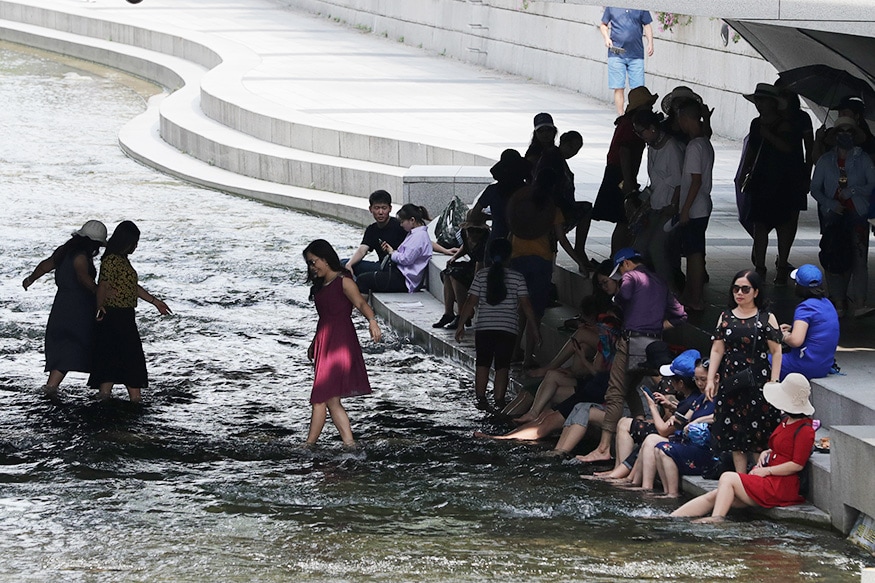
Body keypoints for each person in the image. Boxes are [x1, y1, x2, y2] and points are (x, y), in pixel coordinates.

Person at [577, 248, 687, 463]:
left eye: (619, 271)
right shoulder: (660, 282)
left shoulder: (631, 276)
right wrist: (655, 327)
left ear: (626, 263)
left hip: (631, 342)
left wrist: (618, 298)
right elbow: (680, 315)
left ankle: (603, 448)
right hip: (653, 344)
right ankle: (640, 425)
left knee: (615, 392)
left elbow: (624, 296)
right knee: (630, 388)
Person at [671, 373, 816, 523]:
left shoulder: (805, 430)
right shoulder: (786, 421)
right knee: (717, 494)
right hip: (770, 478)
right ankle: (672, 517)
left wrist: (767, 470)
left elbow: (797, 464)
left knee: (728, 477)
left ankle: (717, 519)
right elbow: (782, 447)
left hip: (781, 485)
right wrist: (768, 452)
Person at [303, 239, 381, 446]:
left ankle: (309, 445)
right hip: (325, 341)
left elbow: (360, 303)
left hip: (340, 342)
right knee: (330, 399)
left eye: (313, 262)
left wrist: (372, 321)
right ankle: (349, 443)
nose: (312, 267)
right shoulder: (321, 286)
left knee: (321, 396)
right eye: (309, 263)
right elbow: (325, 318)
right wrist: (314, 342)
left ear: (325, 258)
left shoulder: (344, 282)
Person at [705, 270, 782, 474]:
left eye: (745, 289)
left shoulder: (766, 318)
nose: (739, 293)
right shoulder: (725, 316)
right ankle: (740, 478)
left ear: (756, 292)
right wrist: (711, 378)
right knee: (734, 433)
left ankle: (759, 477)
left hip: (758, 380)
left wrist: (774, 381)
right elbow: (717, 349)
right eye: (736, 289)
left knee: (759, 433)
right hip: (732, 380)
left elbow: (776, 351)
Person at [22, 220, 108, 395]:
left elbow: (44, 266)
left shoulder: (63, 251)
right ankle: (104, 389)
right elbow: (83, 277)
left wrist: (30, 279)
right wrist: (98, 291)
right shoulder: (81, 257)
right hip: (79, 308)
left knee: (63, 347)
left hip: (61, 305)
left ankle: (51, 387)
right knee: (86, 345)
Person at [89, 221, 171, 402]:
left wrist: (155, 302)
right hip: (114, 315)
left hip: (124, 314)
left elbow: (132, 287)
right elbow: (103, 285)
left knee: (113, 358)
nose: (136, 246)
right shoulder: (111, 260)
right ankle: (132, 398)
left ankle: (108, 398)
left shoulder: (122, 259)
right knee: (127, 358)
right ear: (126, 241)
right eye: (134, 242)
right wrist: (99, 307)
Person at [456, 238, 538, 410]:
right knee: (502, 366)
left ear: (490, 255)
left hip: (484, 328)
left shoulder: (481, 275)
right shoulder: (517, 278)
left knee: (482, 363)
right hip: (508, 329)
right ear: (510, 256)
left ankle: (481, 400)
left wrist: (460, 325)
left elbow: (470, 302)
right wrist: (534, 329)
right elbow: (527, 306)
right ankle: (499, 401)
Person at [810, 116, 875, 318]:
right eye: (841, 132)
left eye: (849, 132)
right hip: (833, 215)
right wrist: (831, 203)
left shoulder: (863, 159)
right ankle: (837, 301)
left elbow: (872, 184)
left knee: (859, 258)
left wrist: (853, 191)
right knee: (833, 256)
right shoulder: (825, 160)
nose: (845, 135)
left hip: (857, 213)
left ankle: (860, 302)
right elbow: (815, 188)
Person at [739, 83, 801, 285]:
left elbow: (789, 148)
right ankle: (760, 265)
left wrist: (770, 136)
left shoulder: (785, 125)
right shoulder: (756, 124)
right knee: (759, 224)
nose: (759, 104)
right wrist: (744, 171)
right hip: (761, 179)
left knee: (783, 224)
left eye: (763, 101)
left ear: (773, 103)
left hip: (782, 180)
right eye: (757, 100)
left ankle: (782, 265)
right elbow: (752, 149)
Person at [591, 86, 656, 254]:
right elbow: (624, 152)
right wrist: (628, 182)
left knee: (626, 218)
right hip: (620, 172)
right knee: (625, 218)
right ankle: (617, 256)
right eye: (648, 105)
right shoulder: (630, 125)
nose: (650, 108)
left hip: (621, 172)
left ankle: (618, 255)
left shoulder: (629, 122)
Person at [631, 108, 684, 288]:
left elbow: (679, 181)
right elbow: (654, 181)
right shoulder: (652, 147)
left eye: (641, 132)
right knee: (640, 246)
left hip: (668, 207)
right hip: (655, 204)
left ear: (652, 128)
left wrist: (674, 205)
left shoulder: (672, 148)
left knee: (656, 247)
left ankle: (668, 290)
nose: (640, 136)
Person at [649, 358, 717, 497]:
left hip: (709, 450)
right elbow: (686, 418)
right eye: (696, 379)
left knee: (665, 450)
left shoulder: (721, 397)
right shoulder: (701, 398)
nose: (699, 383)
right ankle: (667, 492)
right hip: (691, 443)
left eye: (703, 379)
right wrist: (675, 415)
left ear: (715, 378)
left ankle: (673, 494)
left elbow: (719, 416)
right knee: (658, 448)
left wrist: (699, 420)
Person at [675, 101, 715, 311]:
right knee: (694, 252)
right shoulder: (705, 142)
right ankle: (692, 295)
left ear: (685, 119)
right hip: (702, 205)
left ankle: (695, 298)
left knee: (694, 254)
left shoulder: (694, 147)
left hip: (695, 208)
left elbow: (695, 181)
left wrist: (685, 209)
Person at [778, 264, 840, 380]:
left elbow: (795, 341)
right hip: (824, 365)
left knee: (763, 362)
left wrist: (782, 335)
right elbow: (819, 327)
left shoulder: (805, 308)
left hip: (805, 365)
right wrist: (793, 328)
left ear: (799, 286)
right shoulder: (827, 303)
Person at [356, 204, 433, 295]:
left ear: (412, 220)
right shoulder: (416, 234)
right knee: (364, 275)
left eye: (402, 222)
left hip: (404, 279)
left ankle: (361, 304)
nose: (401, 225)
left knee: (362, 280)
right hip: (400, 274)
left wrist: (392, 253)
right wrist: (392, 251)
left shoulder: (419, 237)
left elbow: (406, 259)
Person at [469, 148, 531, 250]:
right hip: (522, 241)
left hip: (497, 239)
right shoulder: (527, 191)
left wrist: (492, 217)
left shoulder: (492, 190)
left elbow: (474, 214)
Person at [433, 220, 489, 329]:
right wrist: (454, 257)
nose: (474, 234)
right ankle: (448, 313)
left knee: (456, 275)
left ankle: (462, 314)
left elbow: (480, 266)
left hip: (484, 268)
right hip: (472, 264)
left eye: (478, 231)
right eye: (471, 230)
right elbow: (465, 247)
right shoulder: (464, 233)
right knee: (448, 272)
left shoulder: (485, 240)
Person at [599, 8, 654, 116]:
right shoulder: (612, 6)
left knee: (638, 89)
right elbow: (603, 25)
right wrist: (606, 38)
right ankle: (621, 115)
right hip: (616, 53)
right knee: (618, 87)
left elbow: (647, 25)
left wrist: (650, 42)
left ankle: (637, 116)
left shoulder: (640, 6)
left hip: (636, 54)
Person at [343, 190, 407, 278]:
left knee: (363, 277)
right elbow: (362, 250)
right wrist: (349, 264)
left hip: (397, 269)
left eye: (384, 208)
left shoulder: (400, 226)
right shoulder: (372, 229)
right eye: (377, 208)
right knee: (343, 263)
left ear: (390, 208)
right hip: (381, 266)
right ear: (370, 209)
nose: (380, 212)